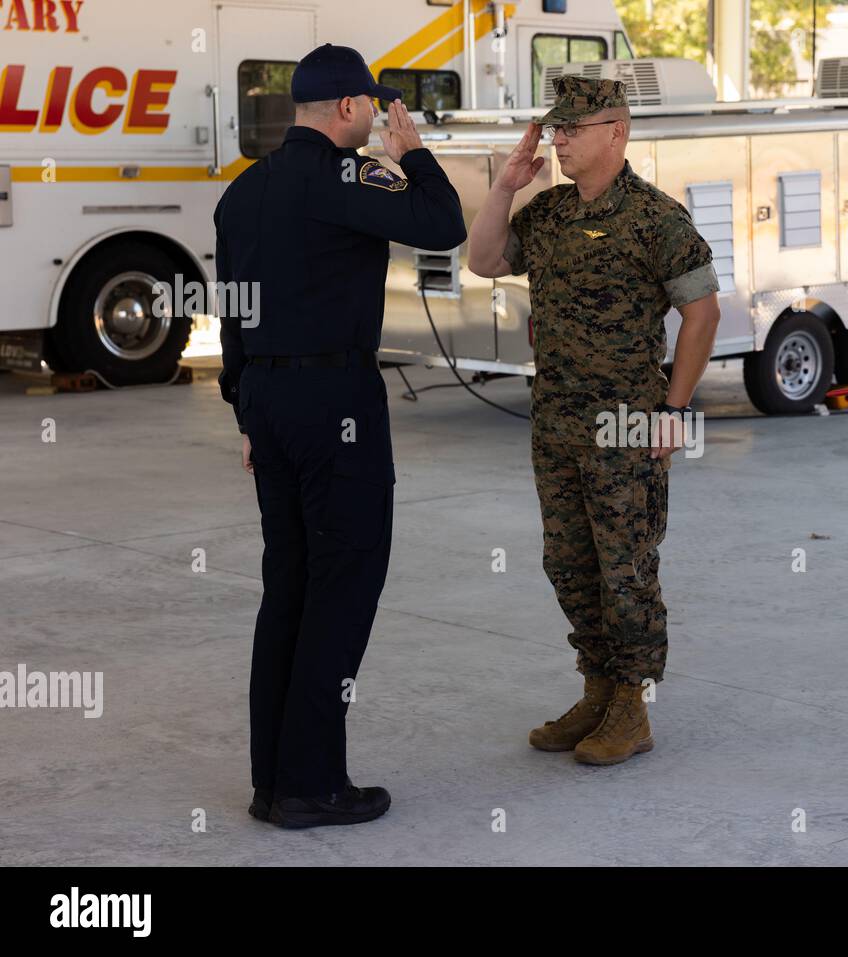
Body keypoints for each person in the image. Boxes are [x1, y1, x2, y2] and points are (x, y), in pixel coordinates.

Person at [215, 43, 465, 827]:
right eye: (373, 107)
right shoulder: (348, 176)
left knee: (288, 587)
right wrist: (415, 154)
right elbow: (444, 225)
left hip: (269, 399)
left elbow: (235, 312)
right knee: (342, 587)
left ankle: (273, 778)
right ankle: (313, 783)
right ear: (351, 109)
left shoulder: (242, 193)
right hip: (336, 406)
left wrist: (245, 409)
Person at [467, 75, 721, 765]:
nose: (560, 140)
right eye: (556, 129)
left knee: (626, 567)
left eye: (573, 129)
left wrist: (674, 409)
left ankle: (630, 706)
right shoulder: (545, 214)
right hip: (556, 424)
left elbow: (703, 313)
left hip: (628, 428)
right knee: (568, 563)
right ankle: (597, 686)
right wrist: (505, 186)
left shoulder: (657, 219)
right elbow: (483, 259)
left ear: (618, 131)